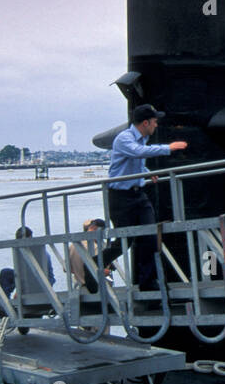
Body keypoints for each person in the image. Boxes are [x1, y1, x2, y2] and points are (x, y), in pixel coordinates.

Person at [102, 105, 188, 292]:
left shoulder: (142, 138)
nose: (157, 125)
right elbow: (137, 152)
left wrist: (146, 172)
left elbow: (134, 162)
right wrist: (169, 148)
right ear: (146, 122)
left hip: (138, 195)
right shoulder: (125, 138)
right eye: (155, 122)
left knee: (149, 237)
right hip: (120, 197)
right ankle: (94, 264)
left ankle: (147, 282)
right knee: (124, 242)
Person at [70, 218, 106, 294]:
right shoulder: (97, 247)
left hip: (79, 288)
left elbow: (67, 269)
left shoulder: (73, 245)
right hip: (95, 288)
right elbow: (103, 271)